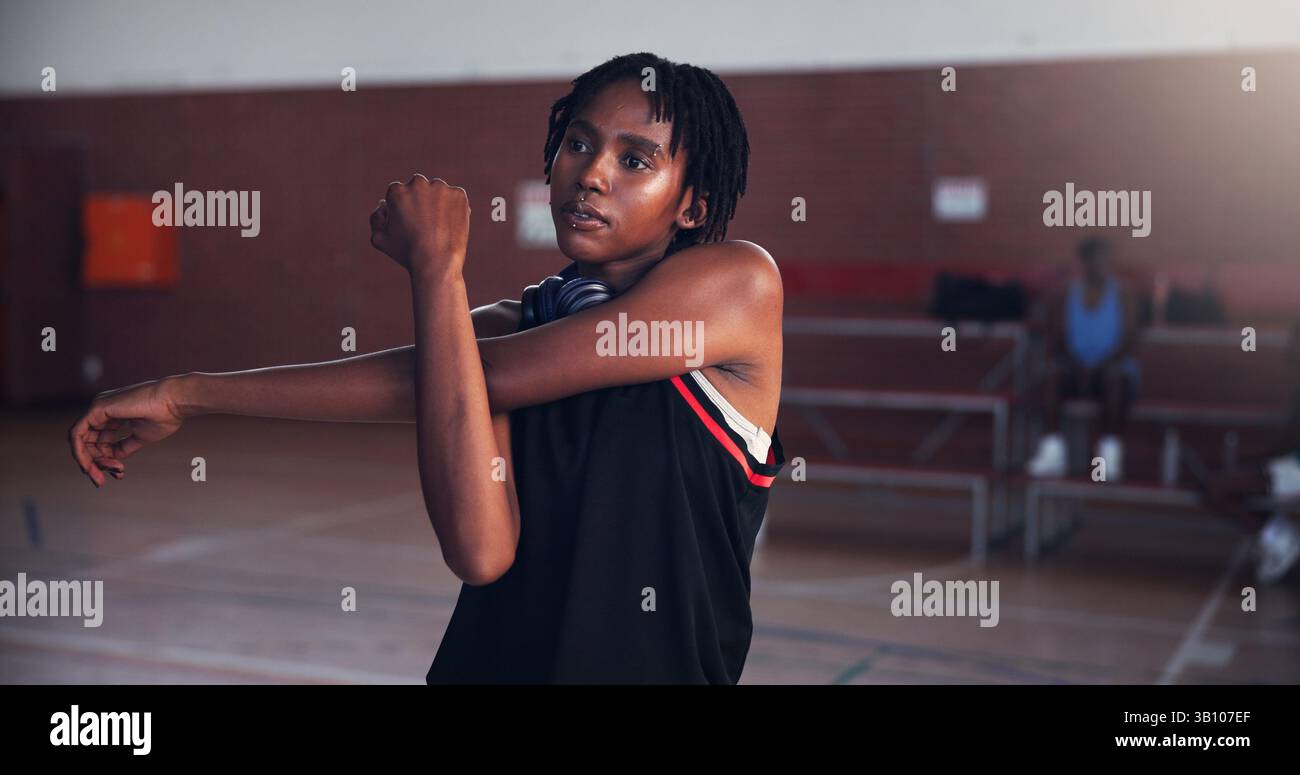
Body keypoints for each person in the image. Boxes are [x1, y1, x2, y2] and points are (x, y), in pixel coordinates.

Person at [66, 53, 787, 683]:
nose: (592, 174)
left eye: (635, 160)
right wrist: (183, 395)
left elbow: (483, 376)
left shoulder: (738, 285)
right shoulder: (525, 326)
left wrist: (438, 268)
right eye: (578, 143)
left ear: (692, 204)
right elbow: (479, 549)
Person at [1182, 321, 1300, 584]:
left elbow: (1287, 441)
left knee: (1215, 488)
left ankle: (1281, 539)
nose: (1289, 350)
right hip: (1289, 468)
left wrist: (1255, 461)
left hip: (1294, 472)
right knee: (1217, 485)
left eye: (1294, 344)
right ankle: (1279, 536)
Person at [1026, 237, 1139, 480]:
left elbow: (1129, 339)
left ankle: (1108, 457)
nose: (1104, 265)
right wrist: (1078, 365)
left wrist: (1100, 366)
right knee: (1051, 378)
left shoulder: (1124, 294)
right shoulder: (1064, 294)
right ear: (1085, 263)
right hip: (1075, 368)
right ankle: (1052, 451)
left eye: (1108, 260)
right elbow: (1056, 339)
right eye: (1098, 260)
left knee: (1114, 379)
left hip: (1112, 369)